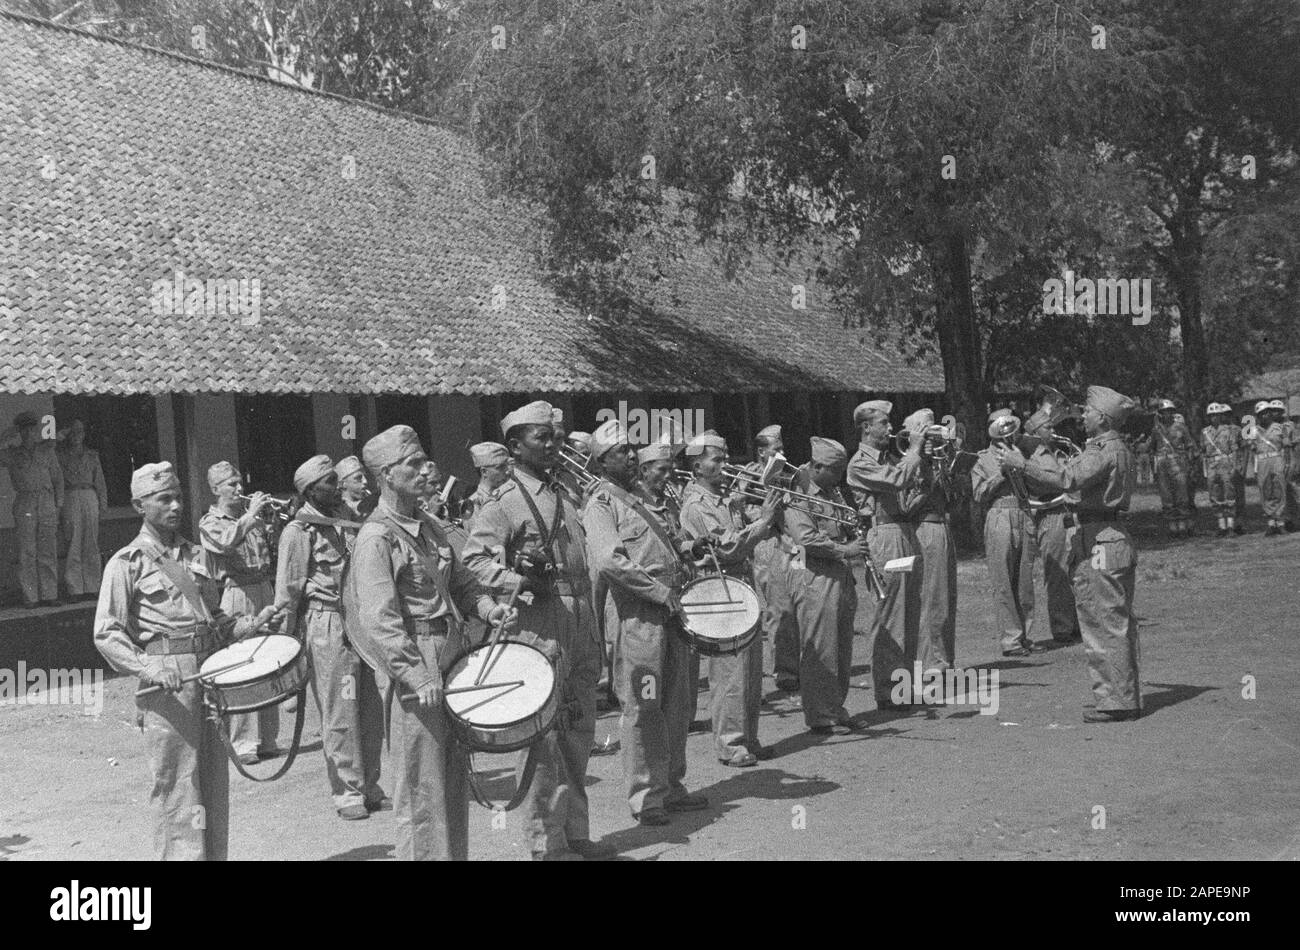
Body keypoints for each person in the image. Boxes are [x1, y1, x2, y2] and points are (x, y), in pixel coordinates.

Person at [344, 425, 516, 861]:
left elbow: (461, 585)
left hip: (452, 656)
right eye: (413, 465)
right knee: (422, 787)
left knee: (453, 779)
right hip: (418, 666)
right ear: (386, 474)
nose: (426, 471)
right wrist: (416, 673)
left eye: (424, 461)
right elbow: (378, 620)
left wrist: (489, 609)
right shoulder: (376, 538)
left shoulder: (431, 526)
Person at [94, 462, 280, 859]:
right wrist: (149, 667)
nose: (176, 505)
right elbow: (107, 633)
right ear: (138, 505)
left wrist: (253, 622)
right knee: (178, 787)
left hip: (207, 673)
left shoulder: (196, 555)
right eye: (164, 499)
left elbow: (218, 622)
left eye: (178, 497)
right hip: (167, 683)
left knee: (213, 786)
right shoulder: (126, 563)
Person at [462, 400, 611, 860]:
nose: (553, 444)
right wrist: (520, 578)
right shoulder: (504, 500)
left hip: (579, 615)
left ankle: (576, 832)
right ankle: (546, 845)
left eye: (556, 436)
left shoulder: (564, 491)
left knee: (579, 728)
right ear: (514, 446)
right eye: (541, 438)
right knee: (546, 736)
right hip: (540, 620)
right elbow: (473, 560)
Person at [583, 421, 711, 826]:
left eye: (631, 448)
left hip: (673, 610)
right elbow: (609, 561)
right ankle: (646, 798)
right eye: (621, 451)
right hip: (638, 615)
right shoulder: (601, 503)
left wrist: (691, 547)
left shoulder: (645, 496)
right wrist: (658, 591)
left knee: (677, 702)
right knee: (642, 707)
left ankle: (671, 786)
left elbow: (669, 540)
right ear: (603, 461)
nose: (632, 456)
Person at [998, 385, 1142, 722]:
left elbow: (1067, 477)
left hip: (1099, 539)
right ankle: (1115, 696)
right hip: (1104, 535)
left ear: (1103, 418)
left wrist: (1023, 465)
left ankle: (1118, 701)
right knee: (1103, 620)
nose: (1083, 416)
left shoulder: (1103, 449)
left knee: (1105, 622)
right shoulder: (1112, 448)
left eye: (1088, 412)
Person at [275, 454, 385, 820]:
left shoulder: (349, 521)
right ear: (310, 490)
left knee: (369, 708)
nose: (337, 487)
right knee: (340, 711)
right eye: (329, 483)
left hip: (360, 623)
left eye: (337, 480)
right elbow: (287, 594)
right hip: (327, 625)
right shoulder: (298, 531)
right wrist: (285, 646)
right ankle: (347, 792)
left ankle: (370, 784)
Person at [678, 431, 779, 764]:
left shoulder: (721, 497)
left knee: (750, 667)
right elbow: (727, 546)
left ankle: (748, 736)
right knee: (729, 671)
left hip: (739, 581)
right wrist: (763, 521)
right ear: (697, 466)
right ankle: (730, 743)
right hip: (718, 587)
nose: (725, 466)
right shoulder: (696, 504)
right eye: (717, 460)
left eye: (725, 459)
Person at [845, 401, 926, 711]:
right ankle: (888, 689)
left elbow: (908, 492)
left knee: (909, 610)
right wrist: (915, 451)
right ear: (867, 427)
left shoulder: (887, 458)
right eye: (885, 423)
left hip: (903, 531)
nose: (891, 429)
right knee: (890, 611)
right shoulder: (859, 463)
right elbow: (896, 481)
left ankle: (903, 685)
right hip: (884, 535)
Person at [783, 437, 866, 735]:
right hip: (814, 575)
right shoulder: (797, 491)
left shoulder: (832, 491)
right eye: (834, 470)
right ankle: (820, 715)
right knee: (821, 647)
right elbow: (805, 538)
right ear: (817, 466)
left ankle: (836, 707)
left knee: (841, 645)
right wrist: (847, 550)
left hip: (838, 574)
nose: (840, 477)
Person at [199, 462, 280, 764]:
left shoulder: (251, 517)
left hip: (263, 587)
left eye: (239, 483)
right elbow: (225, 541)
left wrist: (271, 522)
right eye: (231, 484)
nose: (239, 489)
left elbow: (270, 549)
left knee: (270, 661)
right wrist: (252, 516)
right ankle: (245, 744)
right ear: (215, 489)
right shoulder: (210, 521)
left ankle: (269, 739)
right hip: (237, 593)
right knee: (243, 667)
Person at [971, 411, 1039, 656]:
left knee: (1024, 580)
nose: (1007, 431)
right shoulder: (982, 459)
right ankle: (1010, 640)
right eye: (1001, 426)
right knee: (1002, 580)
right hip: (999, 514)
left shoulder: (1022, 452)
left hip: (1023, 512)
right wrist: (1001, 474)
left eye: (1010, 425)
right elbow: (978, 493)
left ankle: (1024, 635)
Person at [741, 424, 801, 692]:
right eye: (776, 449)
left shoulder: (789, 472)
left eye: (782, 448)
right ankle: (785, 671)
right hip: (769, 544)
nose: (782, 453)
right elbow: (745, 510)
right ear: (761, 452)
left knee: (801, 600)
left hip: (795, 543)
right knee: (780, 607)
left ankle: (800, 662)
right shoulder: (748, 475)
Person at [899, 409, 956, 671]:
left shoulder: (935, 460)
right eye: (926, 432)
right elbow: (905, 506)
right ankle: (930, 660)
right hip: (923, 529)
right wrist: (927, 482)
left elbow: (952, 499)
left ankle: (943, 657)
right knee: (930, 597)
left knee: (944, 598)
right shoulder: (907, 463)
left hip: (941, 527)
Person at [1021, 406, 1082, 644]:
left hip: (1067, 511)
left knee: (1073, 570)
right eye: (1047, 427)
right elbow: (1049, 482)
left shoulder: (1055, 450)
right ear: (1035, 431)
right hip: (1052, 514)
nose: (1053, 429)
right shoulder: (1035, 456)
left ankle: (1074, 622)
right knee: (1057, 572)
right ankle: (1062, 627)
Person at [0, 411, 64, 606]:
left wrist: (59, 505)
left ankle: (50, 594)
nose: (28, 433)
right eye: (23, 430)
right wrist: (5, 436)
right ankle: (31, 597)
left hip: (46, 501)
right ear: (19, 432)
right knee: (27, 551)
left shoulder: (47, 451)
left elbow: (58, 479)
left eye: (31, 429)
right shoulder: (12, 453)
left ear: (36, 430)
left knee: (48, 549)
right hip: (25, 501)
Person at [56, 419, 107, 600]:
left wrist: (103, 503)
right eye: (73, 433)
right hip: (71, 495)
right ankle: (75, 588)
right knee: (73, 540)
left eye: (79, 432)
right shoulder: (61, 455)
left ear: (84, 434)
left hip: (89, 494)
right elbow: (58, 481)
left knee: (91, 541)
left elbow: (99, 481)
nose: (76, 436)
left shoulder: (92, 455)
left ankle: (93, 586)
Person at [1147, 399, 1197, 538]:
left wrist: (1190, 465)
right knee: (1167, 497)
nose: (1167, 415)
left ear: (1173, 413)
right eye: (1163, 412)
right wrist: (1153, 469)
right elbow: (1150, 448)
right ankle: (1172, 528)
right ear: (1160, 414)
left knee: (1182, 495)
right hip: (1163, 464)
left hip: (1179, 463)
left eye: (1169, 412)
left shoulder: (1181, 428)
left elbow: (1190, 446)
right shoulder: (1156, 430)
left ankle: (1183, 527)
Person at [1245, 401, 1288, 536]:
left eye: (1267, 413)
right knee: (1265, 490)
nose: (1265, 416)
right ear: (1257, 416)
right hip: (1262, 461)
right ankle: (1271, 523)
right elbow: (1251, 452)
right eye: (1261, 414)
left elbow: (1286, 448)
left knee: (1279, 489)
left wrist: (1286, 463)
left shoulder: (1280, 428)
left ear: (1271, 414)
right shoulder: (1253, 431)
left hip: (1277, 459)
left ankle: (1280, 522)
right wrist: (1252, 470)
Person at [1201, 403, 1243, 538]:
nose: (1214, 418)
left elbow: (1235, 449)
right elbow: (1203, 451)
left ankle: (1230, 526)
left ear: (1221, 416)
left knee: (1229, 495)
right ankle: (1221, 526)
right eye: (1211, 415)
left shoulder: (1228, 430)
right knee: (1215, 496)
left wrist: (1235, 466)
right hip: (1212, 465)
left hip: (1225, 463)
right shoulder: (1205, 432)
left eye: (1217, 415)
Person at [466, 442, 511, 517]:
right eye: (500, 467)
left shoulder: (506, 493)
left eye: (507, 466)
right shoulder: (474, 505)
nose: (507, 471)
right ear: (484, 472)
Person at [334, 455, 376, 524]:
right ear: (343, 484)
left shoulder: (370, 499)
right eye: (358, 478)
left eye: (364, 476)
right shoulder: (338, 511)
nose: (365, 481)